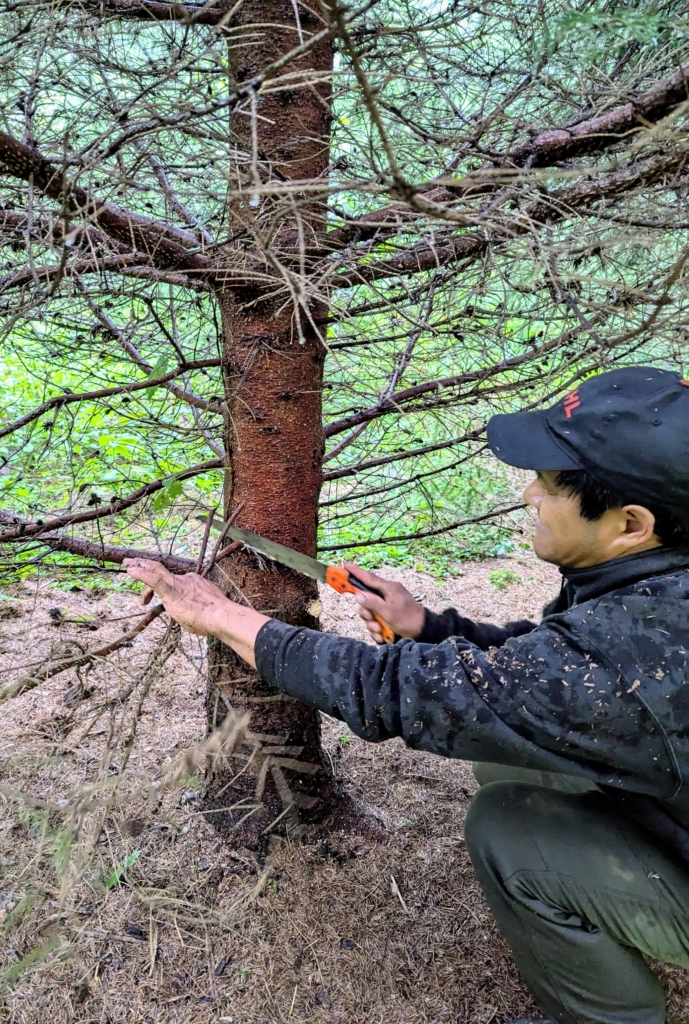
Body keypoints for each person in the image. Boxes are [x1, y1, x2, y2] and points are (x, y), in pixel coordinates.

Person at [124, 365, 689, 1024]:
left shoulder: (645, 651)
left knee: (507, 828)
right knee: (506, 760)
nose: (528, 495)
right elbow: (548, 668)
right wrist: (428, 626)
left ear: (630, 523)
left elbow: (395, 692)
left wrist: (222, 617)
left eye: (550, 484)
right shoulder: (650, 578)